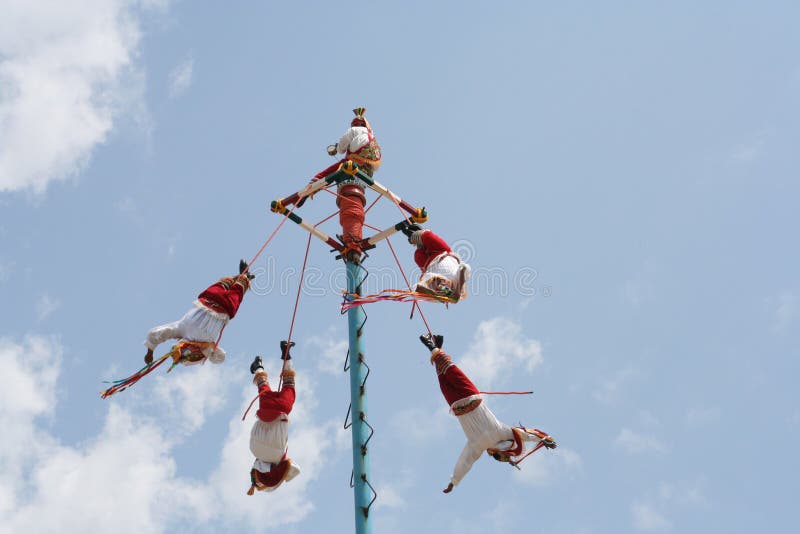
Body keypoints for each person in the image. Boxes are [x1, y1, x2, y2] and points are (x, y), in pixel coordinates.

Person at [419, 333, 556, 493]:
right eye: (501, 457)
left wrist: (454, 481)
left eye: (500, 459)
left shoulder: (478, 446)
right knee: (448, 370)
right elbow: (526, 435)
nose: (496, 457)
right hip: (469, 396)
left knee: (443, 375)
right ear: (503, 449)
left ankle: (436, 346)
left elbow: (464, 463)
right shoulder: (501, 433)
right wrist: (544, 438)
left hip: (457, 404)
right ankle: (432, 345)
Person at [143, 260, 254, 365]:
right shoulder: (205, 347)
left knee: (228, 285)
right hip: (224, 307)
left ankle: (243, 276)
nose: (191, 352)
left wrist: (150, 352)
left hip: (211, 298)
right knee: (238, 288)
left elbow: (155, 334)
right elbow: (220, 357)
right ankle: (244, 276)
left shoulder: (181, 329)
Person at [310, 107, 382, 257]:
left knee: (340, 166)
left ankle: (316, 179)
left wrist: (336, 149)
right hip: (366, 170)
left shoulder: (354, 130)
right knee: (345, 166)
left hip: (353, 166)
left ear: (355, 124)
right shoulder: (371, 135)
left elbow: (342, 145)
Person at [247, 341, 301, 495]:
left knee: (289, 383)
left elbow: (295, 469)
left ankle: (286, 356)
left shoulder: (278, 456)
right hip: (265, 411)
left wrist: (283, 474)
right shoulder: (255, 450)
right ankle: (258, 367)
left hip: (282, 410)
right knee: (263, 387)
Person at [400, 225, 471, 302]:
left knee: (418, 255)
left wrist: (435, 295)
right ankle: (419, 234)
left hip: (428, 263)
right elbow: (464, 268)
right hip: (443, 252)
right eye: (446, 287)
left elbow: (417, 289)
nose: (443, 284)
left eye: (441, 288)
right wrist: (457, 292)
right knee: (427, 236)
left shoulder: (431, 281)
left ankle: (414, 237)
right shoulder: (457, 280)